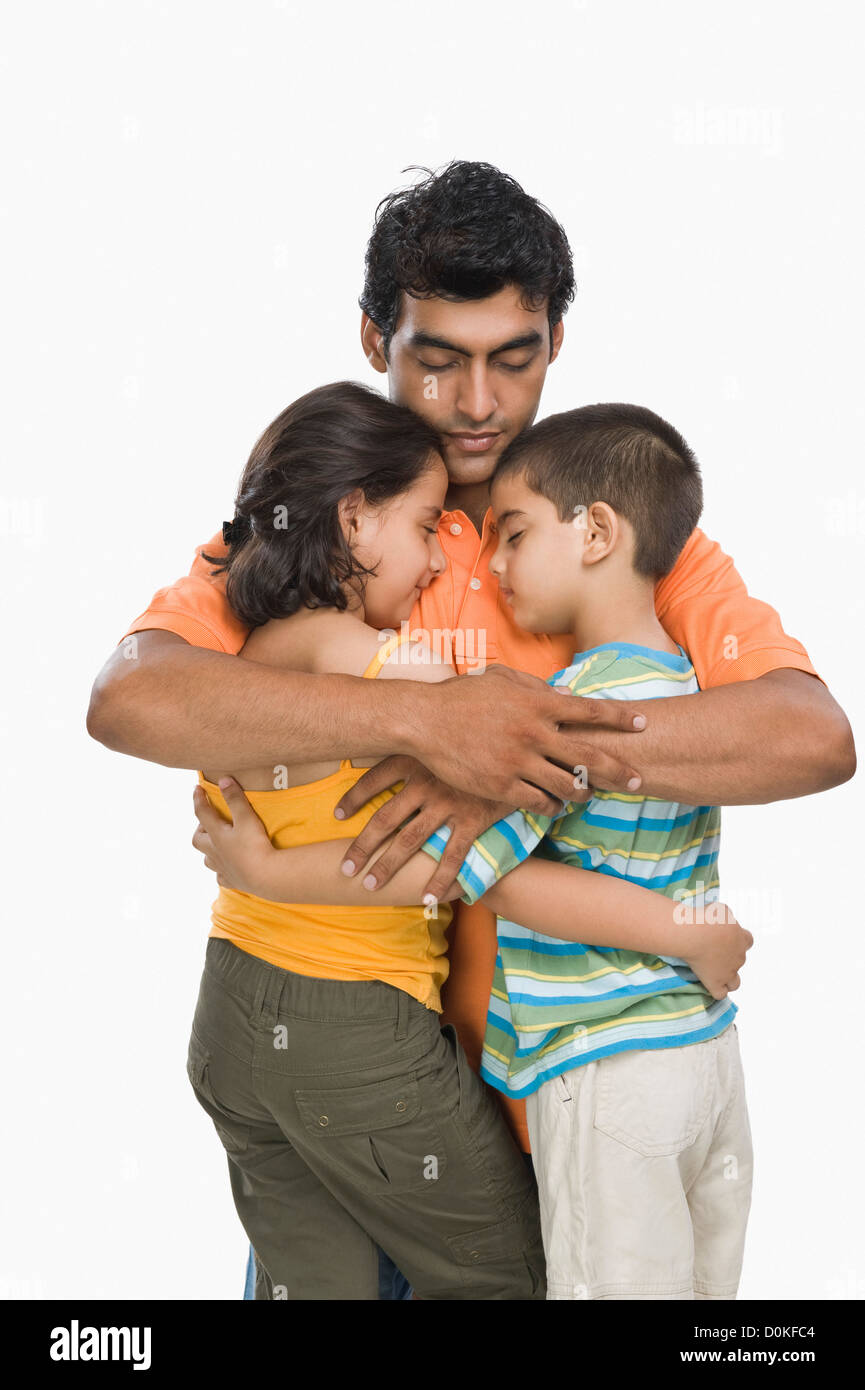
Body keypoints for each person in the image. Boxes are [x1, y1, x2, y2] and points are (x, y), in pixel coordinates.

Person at [86, 160, 854, 1296]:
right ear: (372, 339)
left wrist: (528, 757)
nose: (478, 403)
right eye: (436, 359)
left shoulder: (614, 522)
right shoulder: (329, 520)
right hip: (362, 1091)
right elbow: (133, 697)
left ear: (557, 343)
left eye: (515, 357)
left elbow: (809, 736)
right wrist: (429, 721)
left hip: (576, 1124)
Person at [186, 382, 750, 1299]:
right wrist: (270, 867)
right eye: (424, 529)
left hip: (233, 1011)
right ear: (354, 521)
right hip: (350, 1022)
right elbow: (447, 858)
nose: (449, 567)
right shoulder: (365, 656)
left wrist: (258, 870)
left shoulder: (254, 654)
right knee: (509, 1275)